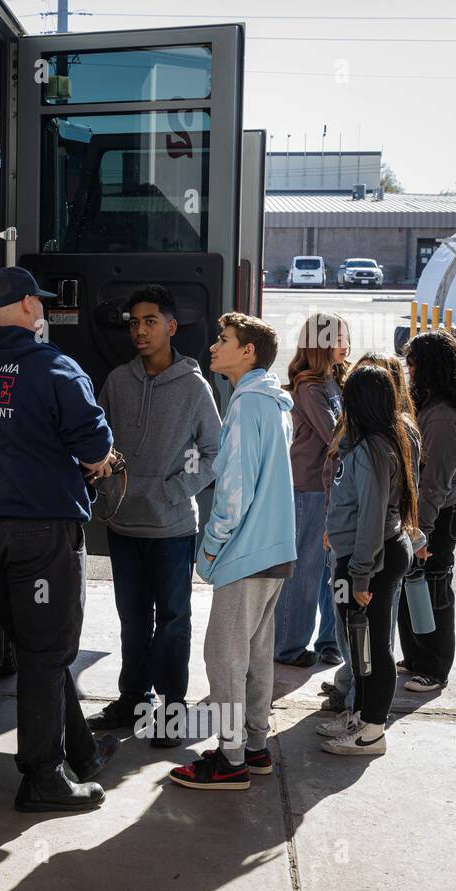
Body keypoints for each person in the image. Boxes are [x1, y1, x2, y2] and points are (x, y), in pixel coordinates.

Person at [0, 266, 120, 813]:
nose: (42, 309)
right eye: (38, 302)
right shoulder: (55, 369)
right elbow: (95, 449)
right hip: (41, 536)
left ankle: (83, 754)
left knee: (36, 649)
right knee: (47, 653)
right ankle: (42, 778)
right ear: (26, 306)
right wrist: (101, 462)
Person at [86, 285, 221, 746]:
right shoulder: (118, 381)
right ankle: (132, 700)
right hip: (125, 525)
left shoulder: (194, 386)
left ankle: (172, 708)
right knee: (131, 619)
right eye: (133, 323)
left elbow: (213, 453)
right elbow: (96, 442)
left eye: (149, 321)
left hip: (172, 528)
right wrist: (108, 486)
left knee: (173, 619)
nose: (139, 331)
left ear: (170, 326)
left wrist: (172, 489)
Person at [169, 313, 295, 790]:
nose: (213, 347)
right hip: (276, 550)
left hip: (244, 553)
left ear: (249, 352)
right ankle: (254, 748)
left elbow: (234, 491)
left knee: (223, 657)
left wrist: (210, 549)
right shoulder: (275, 403)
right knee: (256, 654)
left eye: (224, 341)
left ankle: (229, 761)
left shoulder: (246, 406)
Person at [316, 364, 419, 755]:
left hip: (370, 562)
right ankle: (361, 715)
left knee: (373, 649)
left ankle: (372, 731)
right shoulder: (371, 441)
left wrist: (359, 575)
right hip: (363, 558)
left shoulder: (375, 448)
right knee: (361, 648)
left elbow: (372, 517)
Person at [397, 330, 456, 693]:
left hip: (438, 515)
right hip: (424, 513)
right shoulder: (430, 405)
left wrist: (420, 532)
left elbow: (435, 484)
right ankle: (415, 658)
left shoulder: (444, 418)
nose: (408, 369)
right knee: (413, 583)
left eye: (413, 363)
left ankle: (434, 668)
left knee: (433, 587)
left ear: (430, 367)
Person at [274, 312, 349, 669]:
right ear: (320, 344)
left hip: (333, 488)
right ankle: (288, 645)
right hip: (308, 487)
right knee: (305, 568)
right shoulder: (309, 386)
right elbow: (335, 435)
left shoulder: (337, 379)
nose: (345, 345)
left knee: (331, 570)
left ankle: (329, 641)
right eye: (339, 339)